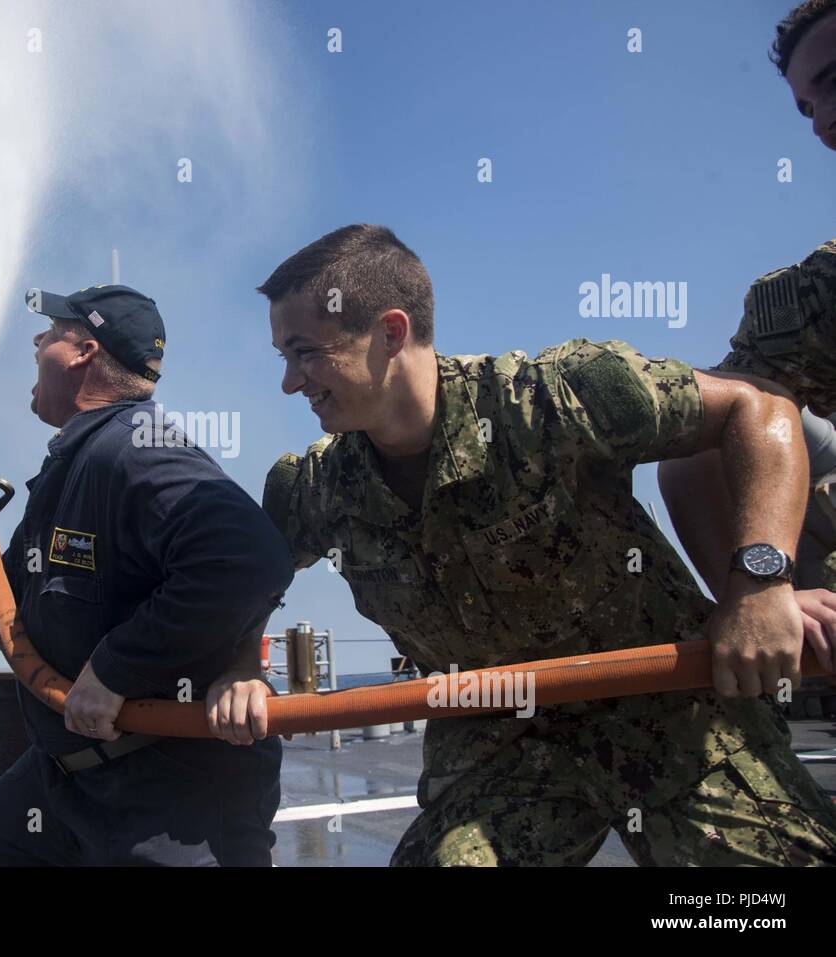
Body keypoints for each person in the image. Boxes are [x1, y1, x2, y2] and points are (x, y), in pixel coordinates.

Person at [212, 223, 836, 865]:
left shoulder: (554, 399)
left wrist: (760, 584)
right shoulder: (313, 487)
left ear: (390, 333)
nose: (291, 382)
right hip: (501, 749)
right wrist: (238, 669)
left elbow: (759, 411)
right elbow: (255, 575)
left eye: (306, 352)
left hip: (673, 716)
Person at [0, 284, 291, 865]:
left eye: (50, 332)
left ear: (82, 352)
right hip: (62, 782)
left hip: (171, 796)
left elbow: (248, 561)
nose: (35, 341)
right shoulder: (73, 466)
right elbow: (16, 625)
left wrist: (113, 669)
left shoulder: (136, 450)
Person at [658, 0, 836, 673]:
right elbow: (695, 446)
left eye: (834, 84)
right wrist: (759, 588)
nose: (820, 123)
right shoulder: (816, 296)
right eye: (806, 105)